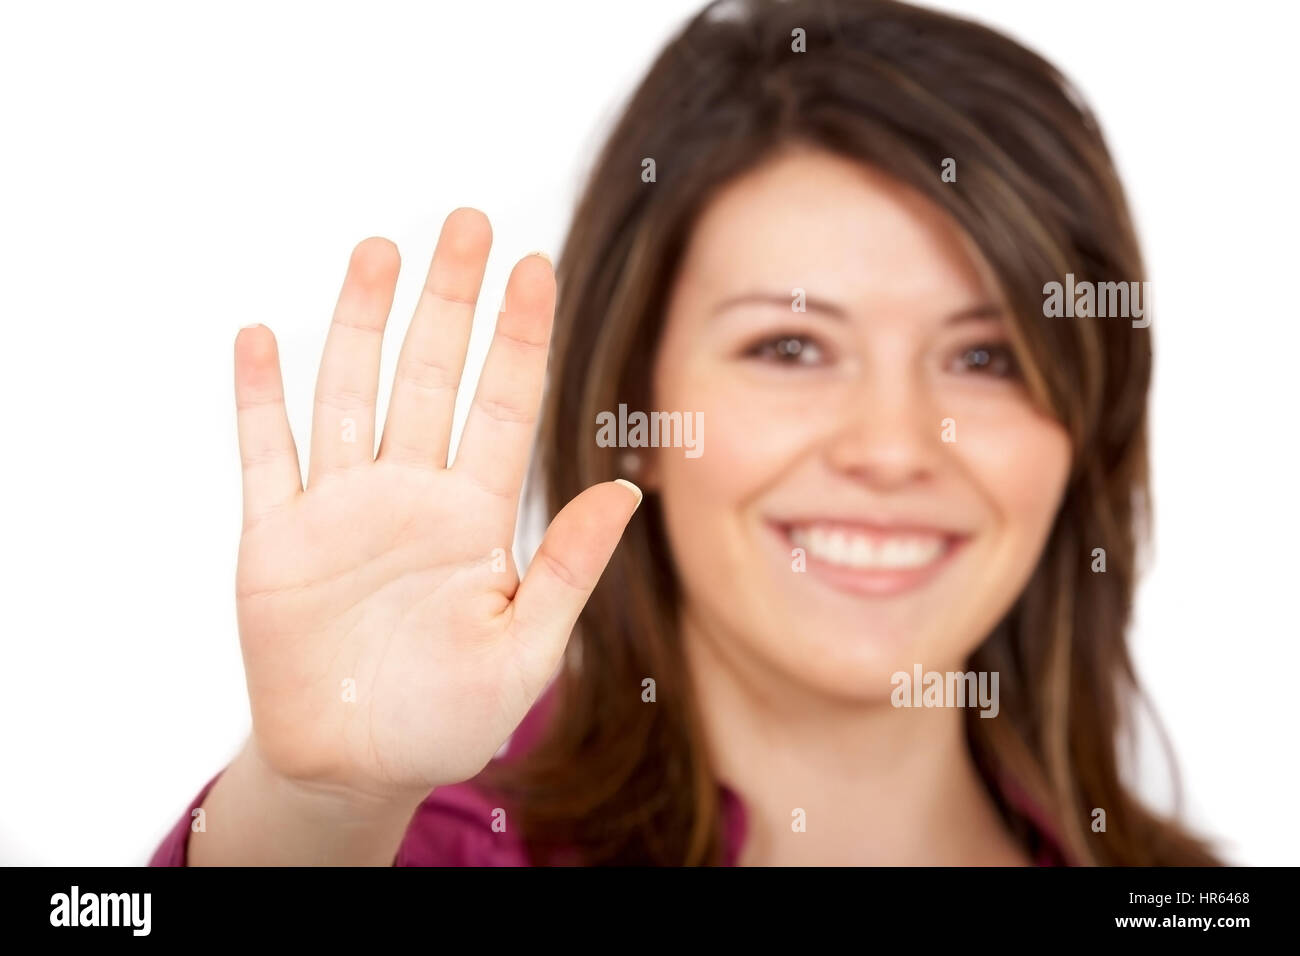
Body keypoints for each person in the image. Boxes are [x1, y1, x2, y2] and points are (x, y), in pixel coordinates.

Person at [152, 0, 1221, 866]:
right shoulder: (441, 850)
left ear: (1083, 422)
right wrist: (314, 809)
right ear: (637, 412)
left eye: (982, 358)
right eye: (790, 348)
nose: (893, 447)